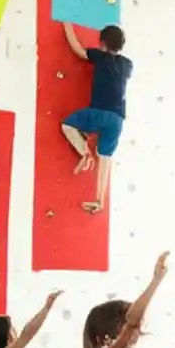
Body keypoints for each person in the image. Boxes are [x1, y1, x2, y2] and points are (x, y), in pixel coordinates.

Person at [60, 23, 132, 213]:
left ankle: (85, 152)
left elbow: (77, 49)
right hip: (117, 120)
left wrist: (67, 27)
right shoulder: (127, 65)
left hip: (98, 113)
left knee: (68, 125)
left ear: (102, 44)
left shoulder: (100, 57)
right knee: (106, 158)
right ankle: (99, 200)